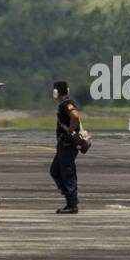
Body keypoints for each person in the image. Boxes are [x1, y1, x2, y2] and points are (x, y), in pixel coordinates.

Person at [50, 80, 81, 214]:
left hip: (67, 145)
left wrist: (69, 132)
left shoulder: (66, 104)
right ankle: (71, 197)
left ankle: (72, 204)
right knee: (55, 171)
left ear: (56, 92)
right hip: (64, 145)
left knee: (67, 173)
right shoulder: (64, 104)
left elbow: (75, 116)